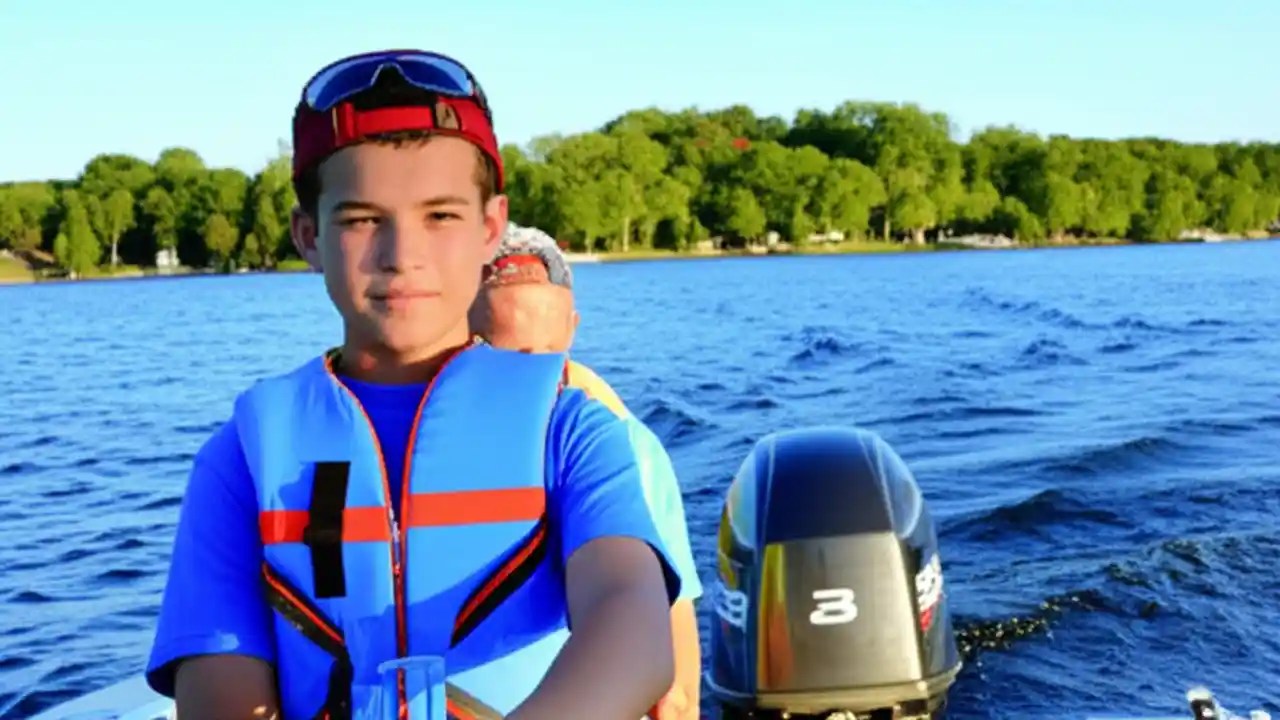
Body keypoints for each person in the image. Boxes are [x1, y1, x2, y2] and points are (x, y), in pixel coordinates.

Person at [144, 49, 681, 720]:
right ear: (308, 236)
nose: (403, 254)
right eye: (362, 219)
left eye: (441, 216)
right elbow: (218, 691)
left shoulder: (572, 431)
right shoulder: (240, 461)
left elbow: (631, 624)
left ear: (491, 228)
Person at [468, 224, 704, 720]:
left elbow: (676, 684)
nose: (526, 382)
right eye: (498, 356)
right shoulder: (393, 448)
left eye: (544, 357)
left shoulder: (629, 449)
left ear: (572, 328)